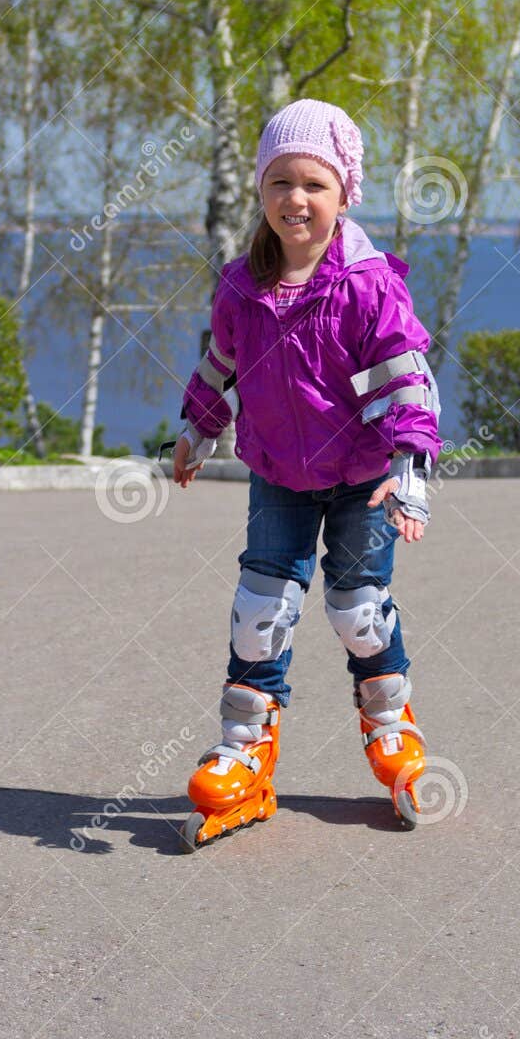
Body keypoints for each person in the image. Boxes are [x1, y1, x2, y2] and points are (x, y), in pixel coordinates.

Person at [171, 99, 442, 850]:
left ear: (344, 194)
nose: (296, 198)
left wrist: (410, 468)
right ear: (261, 190)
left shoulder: (366, 284)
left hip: (363, 476)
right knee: (260, 610)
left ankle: (390, 722)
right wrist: (197, 427)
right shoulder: (241, 288)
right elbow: (221, 365)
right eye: (280, 182)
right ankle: (245, 751)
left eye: (315, 184)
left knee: (358, 610)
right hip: (279, 475)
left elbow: (405, 380)